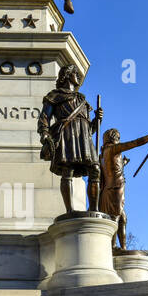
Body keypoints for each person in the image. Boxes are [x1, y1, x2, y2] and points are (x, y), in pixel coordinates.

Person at [38, 63, 101, 214]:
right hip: (67, 135)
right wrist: (45, 134)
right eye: (75, 73)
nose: (78, 76)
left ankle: (94, 209)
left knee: (95, 169)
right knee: (68, 169)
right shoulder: (55, 96)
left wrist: (96, 121)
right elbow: (44, 117)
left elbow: (89, 130)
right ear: (67, 75)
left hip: (83, 138)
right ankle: (69, 210)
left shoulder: (82, 100)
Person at [99, 122, 148, 250]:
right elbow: (135, 143)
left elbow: (111, 168)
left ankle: (123, 247)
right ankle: (113, 247)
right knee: (116, 217)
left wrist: (123, 163)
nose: (119, 140)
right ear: (114, 137)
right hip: (116, 187)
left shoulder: (103, 154)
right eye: (118, 138)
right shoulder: (113, 149)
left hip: (107, 190)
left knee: (123, 218)